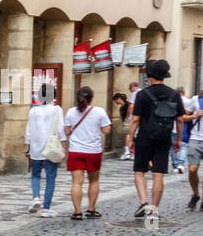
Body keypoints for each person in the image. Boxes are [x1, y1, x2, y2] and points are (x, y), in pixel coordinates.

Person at [129, 60, 186, 217]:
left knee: (139, 171)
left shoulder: (142, 94)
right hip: (164, 138)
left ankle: (143, 202)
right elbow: (180, 119)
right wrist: (179, 139)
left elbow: (135, 119)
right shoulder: (174, 94)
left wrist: (130, 138)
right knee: (158, 174)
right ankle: (154, 209)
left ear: (149, 76)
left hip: (144, 137)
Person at [63, 86, 111, 220]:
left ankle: (77, 212)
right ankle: (91, 209)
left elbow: (66, 132)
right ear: (91, 98)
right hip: (93, 151)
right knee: (94, 181)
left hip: (75, 151)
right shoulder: (99, 112)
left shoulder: (71, 112)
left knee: (76, 182)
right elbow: (106, 131)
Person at [23, 84, 65, 217]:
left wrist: (27, 145)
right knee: (50, 177)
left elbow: (28, 129)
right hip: (50, 148)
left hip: (36, 148)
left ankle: (36, 198)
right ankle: (46, 208)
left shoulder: (33, 111)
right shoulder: (56, 109)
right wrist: (64, 144)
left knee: (35, 175)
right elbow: (60, 128)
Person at [185, 89, 203, 210]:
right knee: (192, 169)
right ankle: (196, 194)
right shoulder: (196, 100)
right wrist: (195, 115)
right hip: (195, 138)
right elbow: (184, 116)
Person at [173, 87, 193, 174]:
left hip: (172, 126)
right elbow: (191, 112)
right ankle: (181, 164)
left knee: (172, 147)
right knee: (183, 145)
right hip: (184, 126)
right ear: (183, 92)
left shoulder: (172, 100)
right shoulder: (188, 101)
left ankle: (175, 165)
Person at [121, 83, 139, 160]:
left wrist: (128, 116)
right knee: (137, 134)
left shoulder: (135, 93)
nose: (130, 91)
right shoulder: (143, 92)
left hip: (134, 117)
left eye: (130, 89)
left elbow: (131, 106)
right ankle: (134, 153)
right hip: (142, 117)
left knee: (128, 133)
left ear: (133, 87)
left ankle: (128, 152)